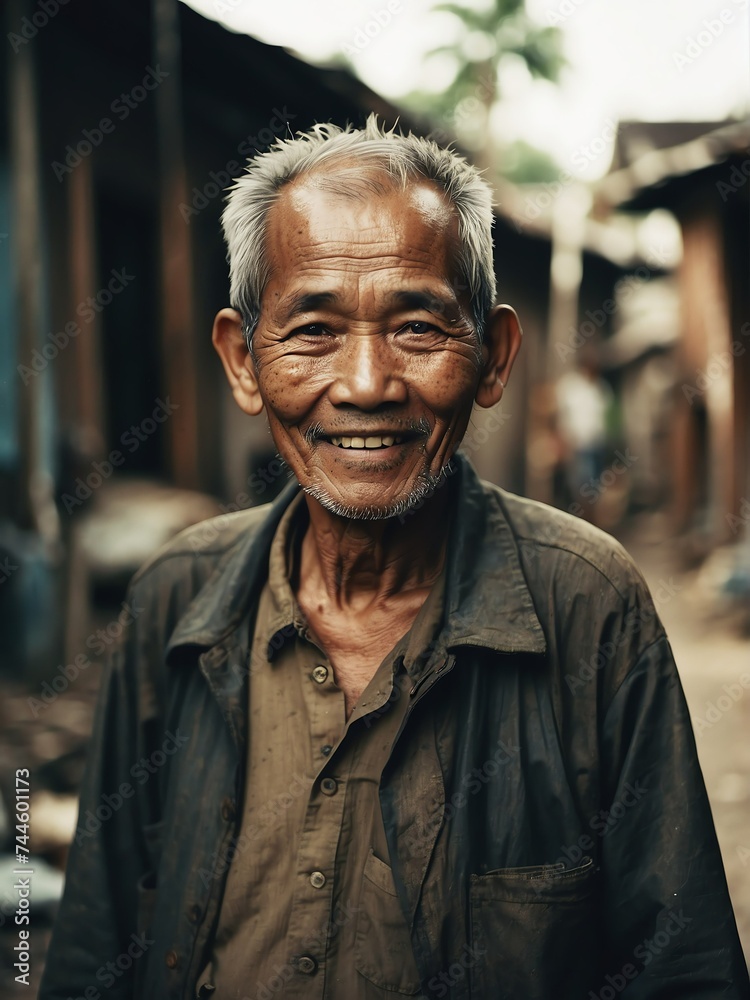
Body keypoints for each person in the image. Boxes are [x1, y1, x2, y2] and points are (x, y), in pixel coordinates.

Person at [40, 117, 748, 1000]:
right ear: (242, 360)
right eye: (313, 332)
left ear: (492, 357)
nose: (368, 383)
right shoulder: (177, 598)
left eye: (418, 328)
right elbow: (89, 945)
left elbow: (682, 971)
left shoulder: (587, 603)